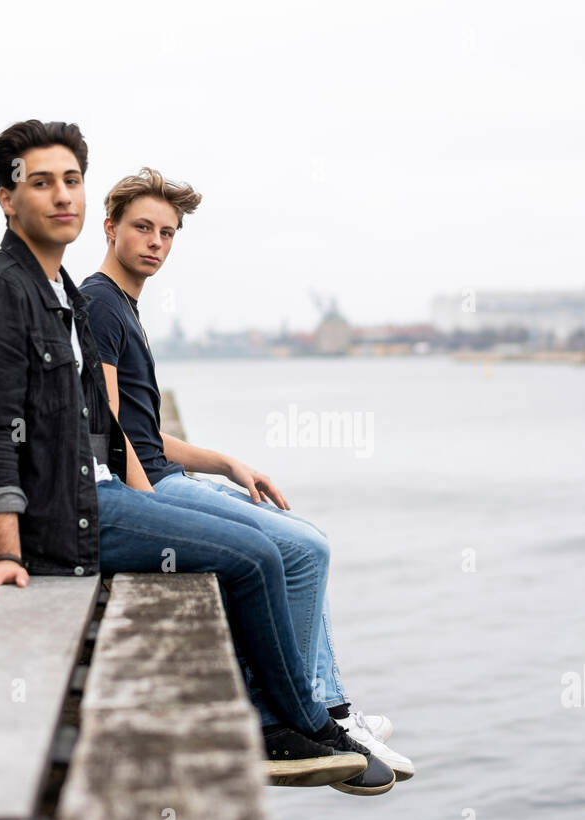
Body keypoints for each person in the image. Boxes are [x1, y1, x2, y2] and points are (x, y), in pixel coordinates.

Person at [0, 120, 393, 795]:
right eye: (41, 182)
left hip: (96, 498)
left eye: (72, 181)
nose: (63, 196)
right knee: (261, 555)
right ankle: (290, 729)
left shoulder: (60, 294)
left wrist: (175, 496)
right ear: (7, 199)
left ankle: (308, 723)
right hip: (59, 518)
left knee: (268, 546)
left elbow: (103, 428)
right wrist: (5, 554)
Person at [79, 168, 413, 780]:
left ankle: (327, 706)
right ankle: (298, 711)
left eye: (168, 233)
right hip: (151, 489)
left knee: (300, 538)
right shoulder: (99, 301)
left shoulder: (124, 304)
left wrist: (227, 462)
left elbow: (148, 431)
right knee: (304, 548)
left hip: (164, 475)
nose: (156, 242)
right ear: (110, 228)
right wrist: (150, 503)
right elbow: (108, 423)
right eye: (143, 228)